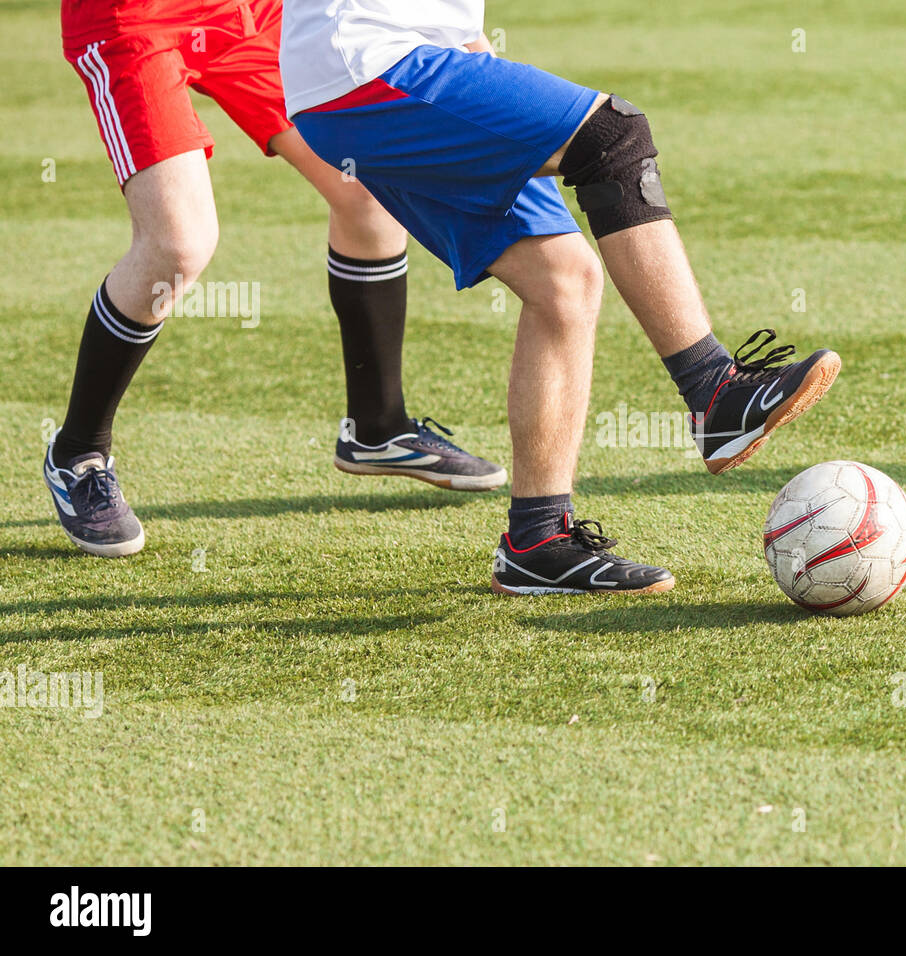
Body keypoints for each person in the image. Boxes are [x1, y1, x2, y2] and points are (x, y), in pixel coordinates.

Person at [281, 0, 843, 595]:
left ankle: (537, 541)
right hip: (368, 68)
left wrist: (494, 100)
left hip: (396, 71)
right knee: (614, 137)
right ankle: (715, 391)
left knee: (563, 280)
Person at [44, 0, 506, 558]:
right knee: (177, 245)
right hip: (137, 19)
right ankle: (78, 453)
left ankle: (377, 427)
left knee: (366, 190)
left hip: (253, 14)